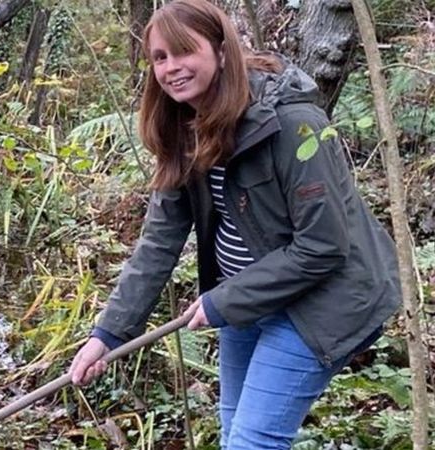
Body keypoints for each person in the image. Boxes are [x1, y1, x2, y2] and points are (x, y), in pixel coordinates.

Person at [67, 1, 401, 448]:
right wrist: (107, 335)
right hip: (244, 303)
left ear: (222, 50)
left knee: (252, 442)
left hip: (316, 303)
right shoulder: (184, 127)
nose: (171, 68)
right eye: (160, 58)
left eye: (184, 52)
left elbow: (322, 246)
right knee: (233, 435)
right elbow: (158, 242)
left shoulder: (293, 124)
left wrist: (226, 299)